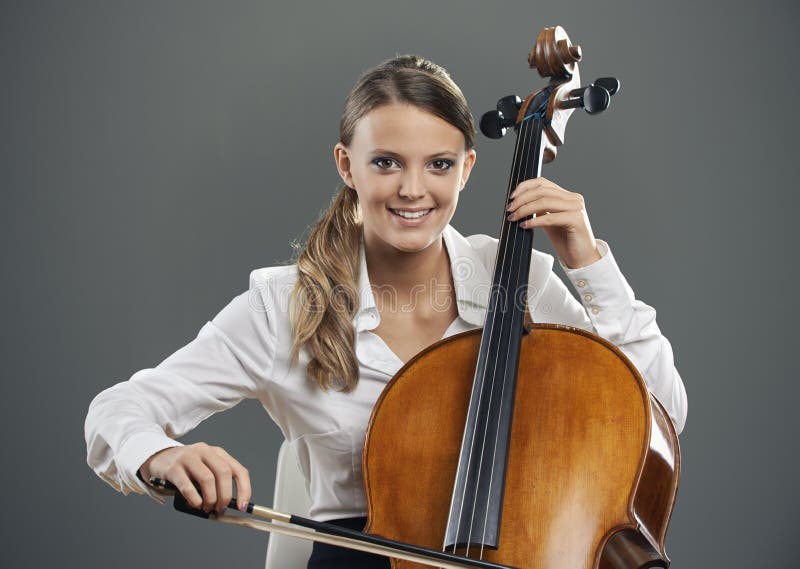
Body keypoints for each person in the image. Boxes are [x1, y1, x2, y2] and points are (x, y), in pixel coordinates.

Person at [84, 54, 687, 569]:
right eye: (386, 162)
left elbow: (660, 413)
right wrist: (163, 455)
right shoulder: (285, 306)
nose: (412, 189)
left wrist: (588, 262)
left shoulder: (518, 282)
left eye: (438, 164)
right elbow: (116, 410)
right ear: (347, 165)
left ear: (467, 168)